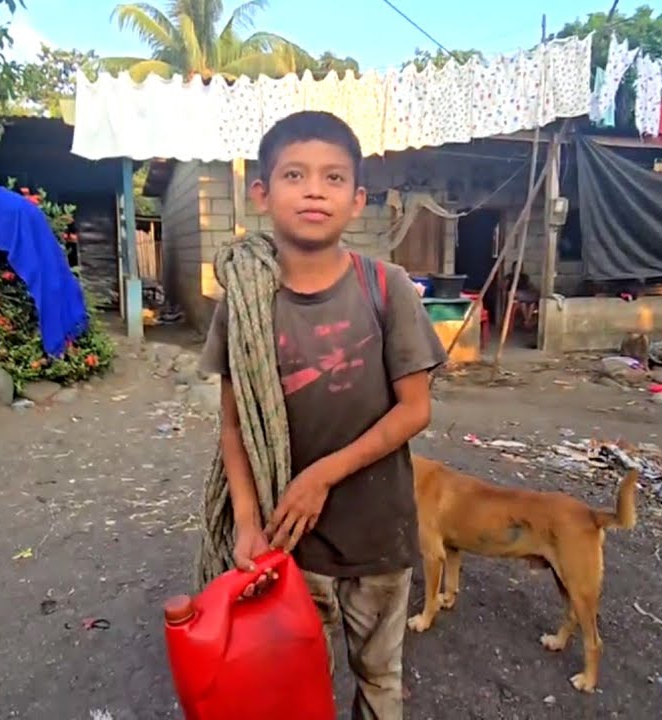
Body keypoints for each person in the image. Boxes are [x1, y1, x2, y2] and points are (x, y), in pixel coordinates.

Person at [200, 111, 447, 720]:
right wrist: (248, 523)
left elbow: (415, 410)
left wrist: (321, 475)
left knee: (379, 676)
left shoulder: (385, 287)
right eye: (295, 174)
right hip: (289, 540)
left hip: (378, 533)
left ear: (357, 199)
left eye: (334, 178)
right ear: (262, 193)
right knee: (293, 681)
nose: (315, 189)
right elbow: (233, 425)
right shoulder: (245, 304)